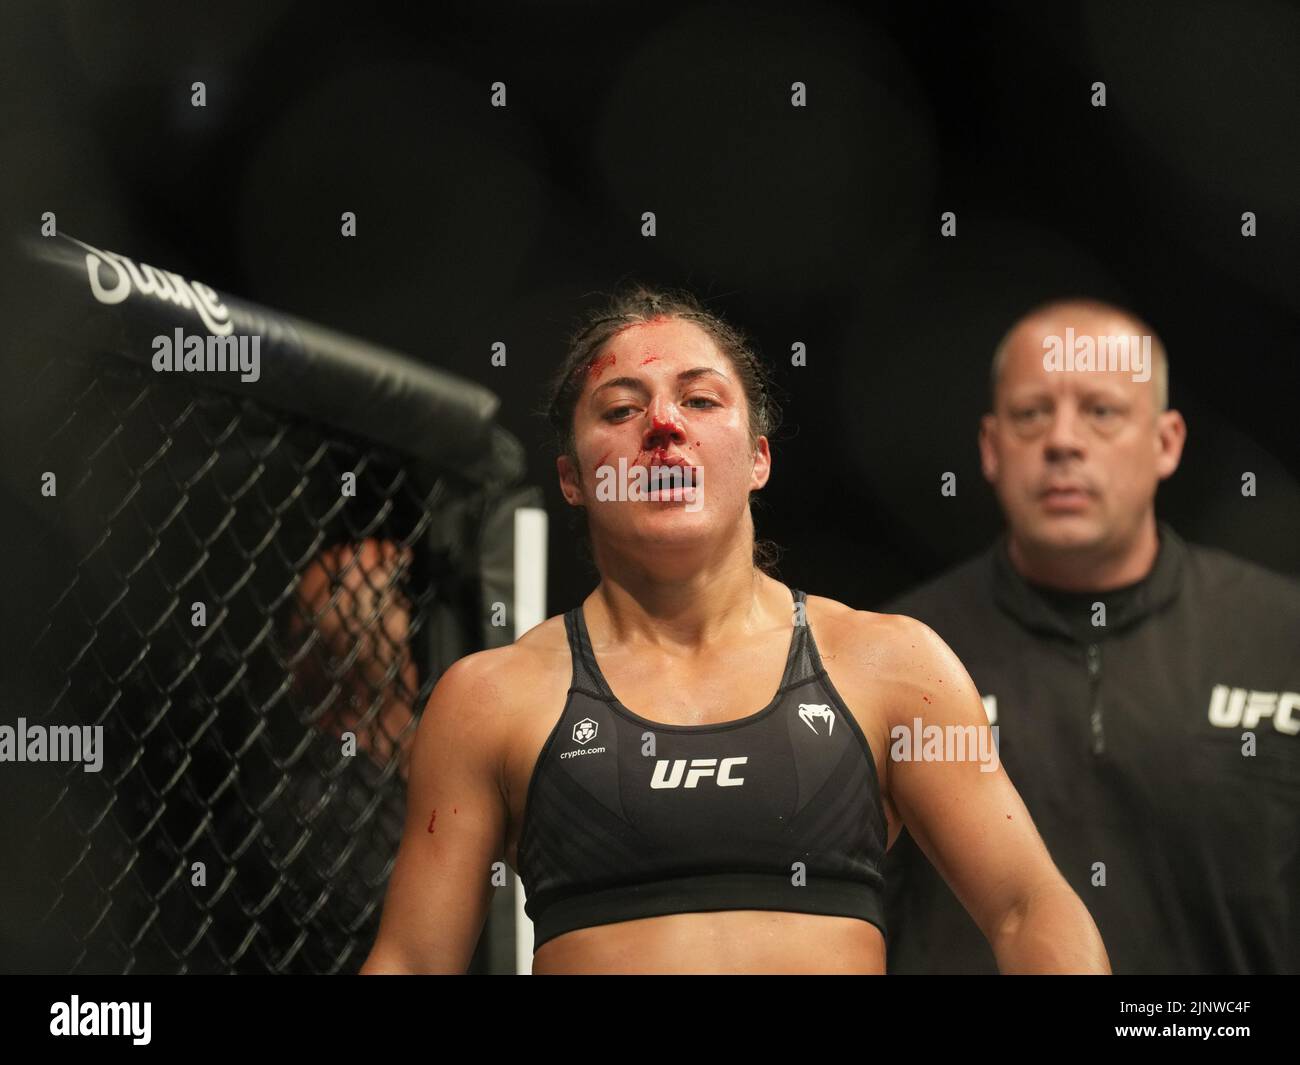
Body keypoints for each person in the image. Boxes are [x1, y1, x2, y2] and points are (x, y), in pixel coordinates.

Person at [360, 286, 1109, 975]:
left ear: (757, 457)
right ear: (573, 477)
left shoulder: (889, 664)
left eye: (700, 399)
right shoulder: (489, 698)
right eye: (621, 409)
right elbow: (411, 963)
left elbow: (1028, 906)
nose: (663, 425)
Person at [883, 298, 1300, 974]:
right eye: (1031, 413)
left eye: (1101, 411)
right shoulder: (895, 657)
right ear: (990, 448)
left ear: (1167, 442)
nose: (1063, 440)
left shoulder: (1282, 638)